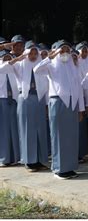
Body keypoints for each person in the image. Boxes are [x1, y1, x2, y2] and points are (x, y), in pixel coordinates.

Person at [34, 40, 85, 179]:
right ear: (56, 51)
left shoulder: (73, 66)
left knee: (71, 137)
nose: (65, 53)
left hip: (72, 103)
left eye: (67, 50)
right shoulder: (50, 64)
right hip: (58, 101)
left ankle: (70, 168)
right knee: (59, 137)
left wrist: (81, 109)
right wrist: (50, 57)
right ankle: (59, 169)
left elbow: (78, 88)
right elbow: (36, 70)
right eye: (62, 50)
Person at [5, 41, 49, 172]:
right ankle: (29, 161)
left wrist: (46, 104)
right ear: (26, 53)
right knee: (27, 130)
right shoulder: (19, 65)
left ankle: (40, 160)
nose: (33, 55)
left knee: (40, 130)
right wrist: (17, 59)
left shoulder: (40, 65)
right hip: (25, 98)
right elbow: (2, 69)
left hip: (39, 99)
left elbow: (46, 86)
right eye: (31, 53)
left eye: (36, 52)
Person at [0, 49, 21, 167]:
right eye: (4, 58)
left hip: (13, 101)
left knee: (13, 129)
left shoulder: (13, 70)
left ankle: (14, 157)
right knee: (3, 130)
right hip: (1, 101)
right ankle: (3, 158)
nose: (8, 60)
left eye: (9, 58)